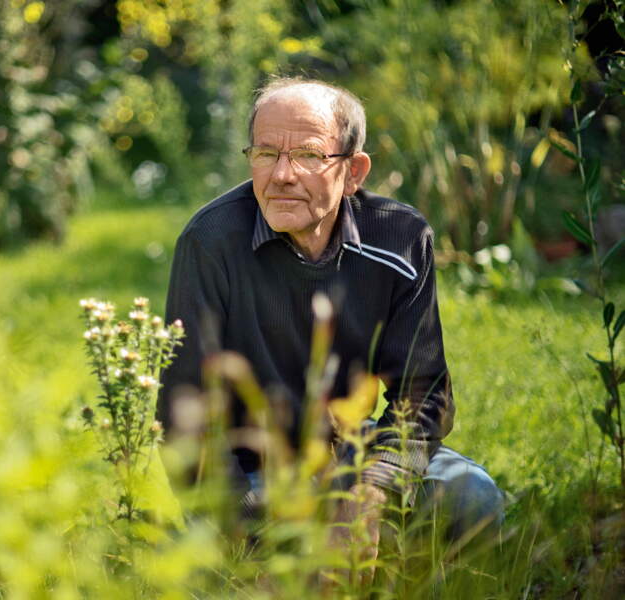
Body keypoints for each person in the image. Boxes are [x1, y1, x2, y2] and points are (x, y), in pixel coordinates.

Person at [158, 76, 503, 569]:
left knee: (474, 500)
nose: (282, 174)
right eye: (265, 153)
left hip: (353, 449)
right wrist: (253, 523)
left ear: (354, 171)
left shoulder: (400, 237)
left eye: (308, 155)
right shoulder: (212, 242)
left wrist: (373, 488)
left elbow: (422, 393)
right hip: (251, 466)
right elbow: (183, 412)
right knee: (259, 556)